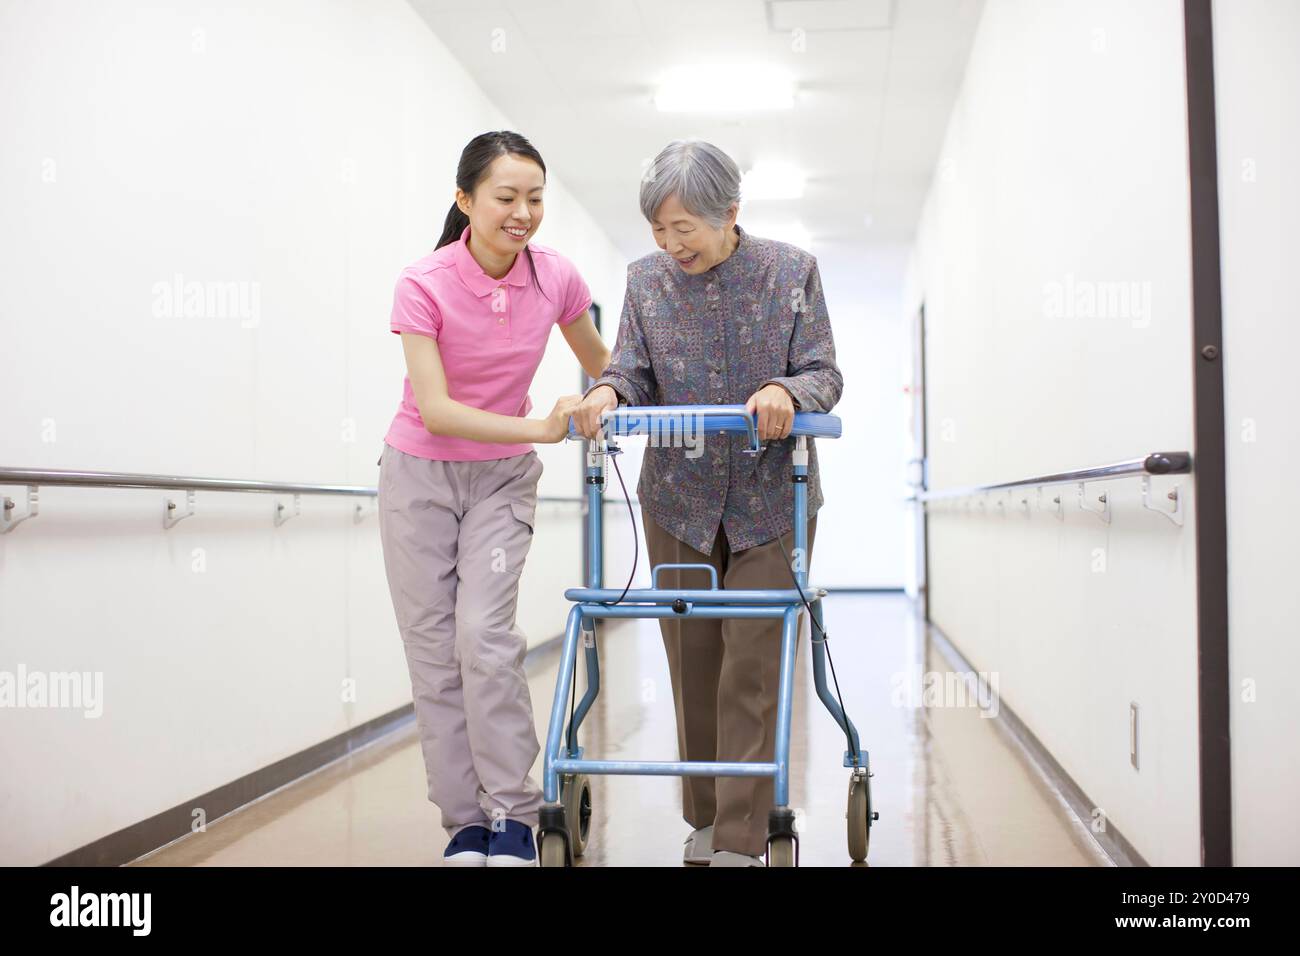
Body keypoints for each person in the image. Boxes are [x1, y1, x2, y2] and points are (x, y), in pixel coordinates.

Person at [573, 139, 843, 866]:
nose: (670, 244)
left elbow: (823, 370)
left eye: (683, 227)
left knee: (750, 662)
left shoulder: (791, 272)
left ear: (730, 212)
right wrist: (607, 389)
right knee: (691, 658)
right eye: (658, 230)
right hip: (678, 500)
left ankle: (738, 837)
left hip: (768, 500)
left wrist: (787, 390)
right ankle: (702, 816)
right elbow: (630, 369)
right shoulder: (646, 282)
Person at [377, 131, 610, 867]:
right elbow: (437, 410)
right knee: (434, 654)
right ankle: (463, 824)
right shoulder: (423, 283)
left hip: (501, 480)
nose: (523, 213)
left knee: (482, 637)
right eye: (506, 197)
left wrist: (597, 394)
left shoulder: (557, 279)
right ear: (465, 201)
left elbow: (608, 367)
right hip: (419, 474)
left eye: (535, 198)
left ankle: (511, 814)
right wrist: (540, 426)